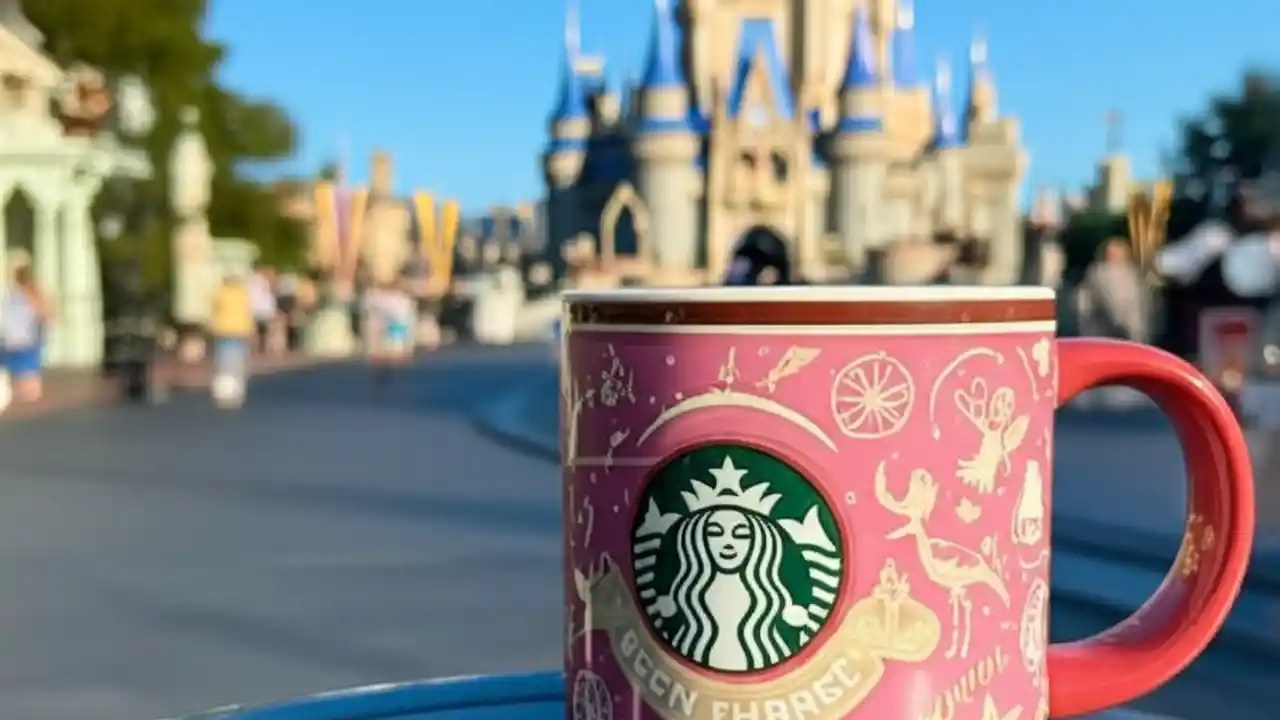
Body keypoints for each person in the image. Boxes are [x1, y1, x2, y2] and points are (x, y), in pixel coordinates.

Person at [2, 264, 52, 403]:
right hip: (15, 340)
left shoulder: (31, 293)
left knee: (28, 380)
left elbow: (46, 314)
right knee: (22, 378)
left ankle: (30, 401)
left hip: (25, 340)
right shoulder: (14, 294)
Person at [209, 272, 254, 409]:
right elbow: (248, 312)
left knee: (223, 364)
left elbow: (214, 307)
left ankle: (223, 393)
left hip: (223, 330)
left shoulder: (220, 292)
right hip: (240, 331)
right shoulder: (243, 293)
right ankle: (236, 393)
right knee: (238, 364)